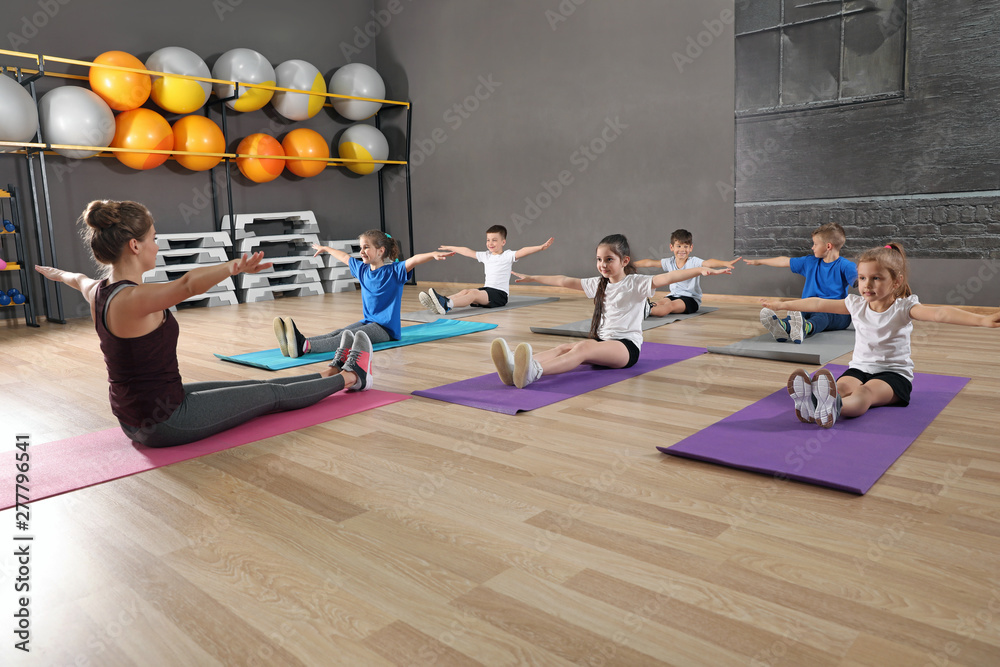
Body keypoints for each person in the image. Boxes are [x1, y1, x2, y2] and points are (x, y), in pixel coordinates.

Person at [35, 200, 373, 449]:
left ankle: (329, 372)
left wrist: (56, 274)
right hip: (165, 422)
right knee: (269, 395)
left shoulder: (98, 292)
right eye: (153, 238)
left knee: (252, 387)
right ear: (135, 245)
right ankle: (352, 376)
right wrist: (234, 267)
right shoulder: (132, 299)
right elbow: (186, 286)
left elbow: (75, 278)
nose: (156, 244)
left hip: (138, 415)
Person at [762, 242, 1000, 428]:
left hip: (894, 376)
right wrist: (784, 304)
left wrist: (982, 319)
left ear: (896, 282)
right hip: (859, 368)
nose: (867, 284)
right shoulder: (856, 305)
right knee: (841, 384)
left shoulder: (904, 307)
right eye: (863, 278)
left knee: (865, 393)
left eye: (876, 278)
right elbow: (817, 303)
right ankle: (813, 404)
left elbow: (940, 314)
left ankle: (834, 408)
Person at [490, 233, 732, 388]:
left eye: (608, 260)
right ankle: (514, 367)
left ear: (624, 261)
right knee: (565, 347)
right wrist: (532, 277)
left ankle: (533, 372)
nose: (602, 265)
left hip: (626, 349)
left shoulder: (636, 283)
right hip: (604, 343)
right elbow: (564, 280)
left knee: (583, 347)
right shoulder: (598, 283)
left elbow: (668, 276)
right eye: (599, 260)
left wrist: (700, 270)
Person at [275, 230, 453, 359]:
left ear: (381, 250)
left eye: (366, 247)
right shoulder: (362, 269)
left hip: (386, 329)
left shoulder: (394, 272)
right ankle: (299, 342)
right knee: (341, 332)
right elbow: (344, 257)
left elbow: (413, 260)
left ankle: (306, 346)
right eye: (361, 247)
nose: (361, 252)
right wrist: (326, 249)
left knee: (346, 338)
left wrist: (432, 255)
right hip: (368, 322)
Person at [745, 222, 858, 343]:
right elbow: (785, 261)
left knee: (822, 316)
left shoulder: (846, 266)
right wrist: (759, 261)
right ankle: (783, 327)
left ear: (828, 246)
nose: (812, 247)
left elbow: (861, 281)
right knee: (797, 311)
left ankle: (806, 327)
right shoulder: (810, 262)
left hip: (835, 313)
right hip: (809, 306)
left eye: (815, 244)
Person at [417, 225, 554, 314]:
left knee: (473, 294)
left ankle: (447, 304)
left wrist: (540, 247)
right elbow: (467, 251)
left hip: (499, 295)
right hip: (487, 290)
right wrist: (452, 248)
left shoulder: (507, 255)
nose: (490, 243)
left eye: (494, 240)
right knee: (467, 291)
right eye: (488, 240)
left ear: (503, 242)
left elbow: (523, 251)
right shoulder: (486, 256)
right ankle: (440, 303)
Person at [633, 228, 740, 316]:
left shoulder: (694, 261)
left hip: (690, 299)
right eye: (678, 246)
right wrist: (631, 265)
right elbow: (649, 263)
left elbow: (708, 263)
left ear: (691, 248)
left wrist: (725, 263)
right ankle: (643, 310)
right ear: (672, 247)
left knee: (670, 306)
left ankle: (646, 311)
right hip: (673, 295)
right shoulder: (669, 262)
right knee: (661, 302)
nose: (682, 250)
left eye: (686, 246)